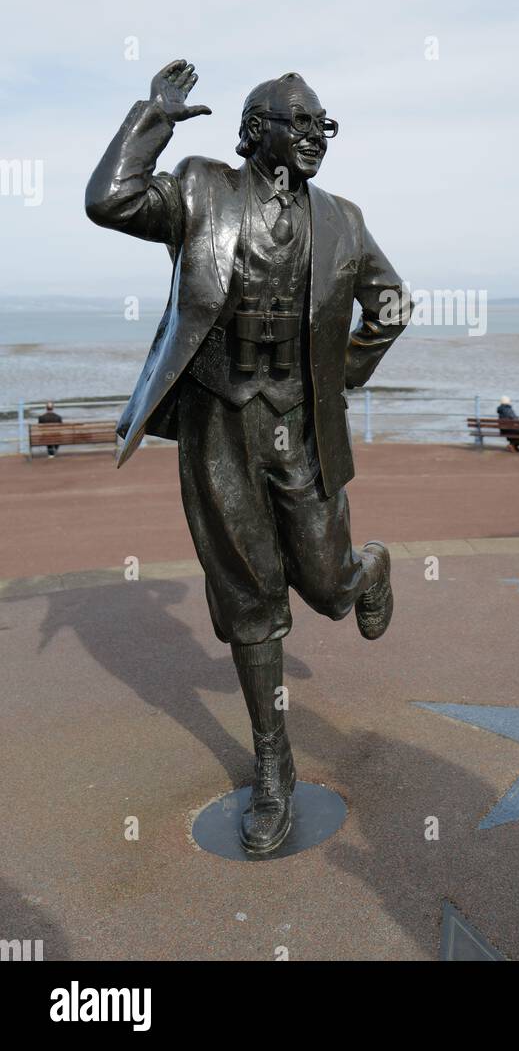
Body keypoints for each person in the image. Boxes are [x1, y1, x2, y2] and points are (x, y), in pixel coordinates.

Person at [86, 60, 410, 853]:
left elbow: (392, 303)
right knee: (249, 598)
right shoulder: (200, 188)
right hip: (216, 419)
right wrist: (150, 119)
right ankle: (275, 769)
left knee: (325, 585)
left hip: (299, 423)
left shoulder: (343, 220)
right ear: (255, 128)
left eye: (323, 126)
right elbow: (109, 200)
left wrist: (338, 376)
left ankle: (366, 570)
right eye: (300, 124)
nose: (315, 138)